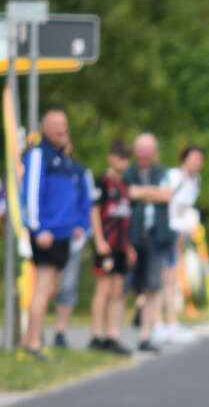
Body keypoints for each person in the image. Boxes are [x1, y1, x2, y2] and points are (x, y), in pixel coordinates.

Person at [20, 110, 92, 359]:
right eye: (56, 125)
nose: (62, 130)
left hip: (63, 234)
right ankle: (33, 344)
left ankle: (30, 337)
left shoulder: (67, 162)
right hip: (46, 234)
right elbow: (30, 193)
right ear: (45, 128)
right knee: (43, 286)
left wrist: (76, 225)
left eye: (64, 125)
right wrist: (37, 228)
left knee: (54, 287)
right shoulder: (39, 155)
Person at [124, 133, 173, 353]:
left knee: (152, 286)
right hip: (131, 237)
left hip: (156, 236)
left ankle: (146, 335)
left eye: (148, 151)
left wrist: (142, 194)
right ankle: (110, 334)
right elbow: (128, 193)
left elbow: (166, 196)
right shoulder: (128, 172)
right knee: (123, 285)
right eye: (141, 151)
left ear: (154, 153)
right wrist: (151, 192)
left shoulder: (162, 172)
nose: (144, 155)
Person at [88, 140, 137, 354]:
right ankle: (96, 336)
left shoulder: (125, 185)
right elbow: (94, 211)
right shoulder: (102, 182)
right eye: (120, 157)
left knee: (118, 290)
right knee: (104, 289)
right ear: (111, 157)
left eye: (126, 158)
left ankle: (112, 335)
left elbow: (127, 217)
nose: (123, 162)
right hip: (106, 242)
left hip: (121, 245)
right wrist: (99, 240)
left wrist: (130, 246)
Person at [155, 145, 206, 344]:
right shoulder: (174, 176)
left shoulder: (196, 180)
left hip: (179, 233)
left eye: (199, 159)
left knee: (172, 277)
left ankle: (172, 322)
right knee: (160, 277)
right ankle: (157, 322)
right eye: (193, 158)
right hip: (165, 230)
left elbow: (186, 209)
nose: (196, 163)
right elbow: (162, 199)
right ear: (184, 159)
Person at [52, 141, 95, 348]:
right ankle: (34, 330)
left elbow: (88, 203)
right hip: (51, 236)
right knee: (48, 285)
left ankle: (61, 331)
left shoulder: (79, 171)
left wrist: (83, 227)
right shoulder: (46, 166)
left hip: (72, 237)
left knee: (68, 285)